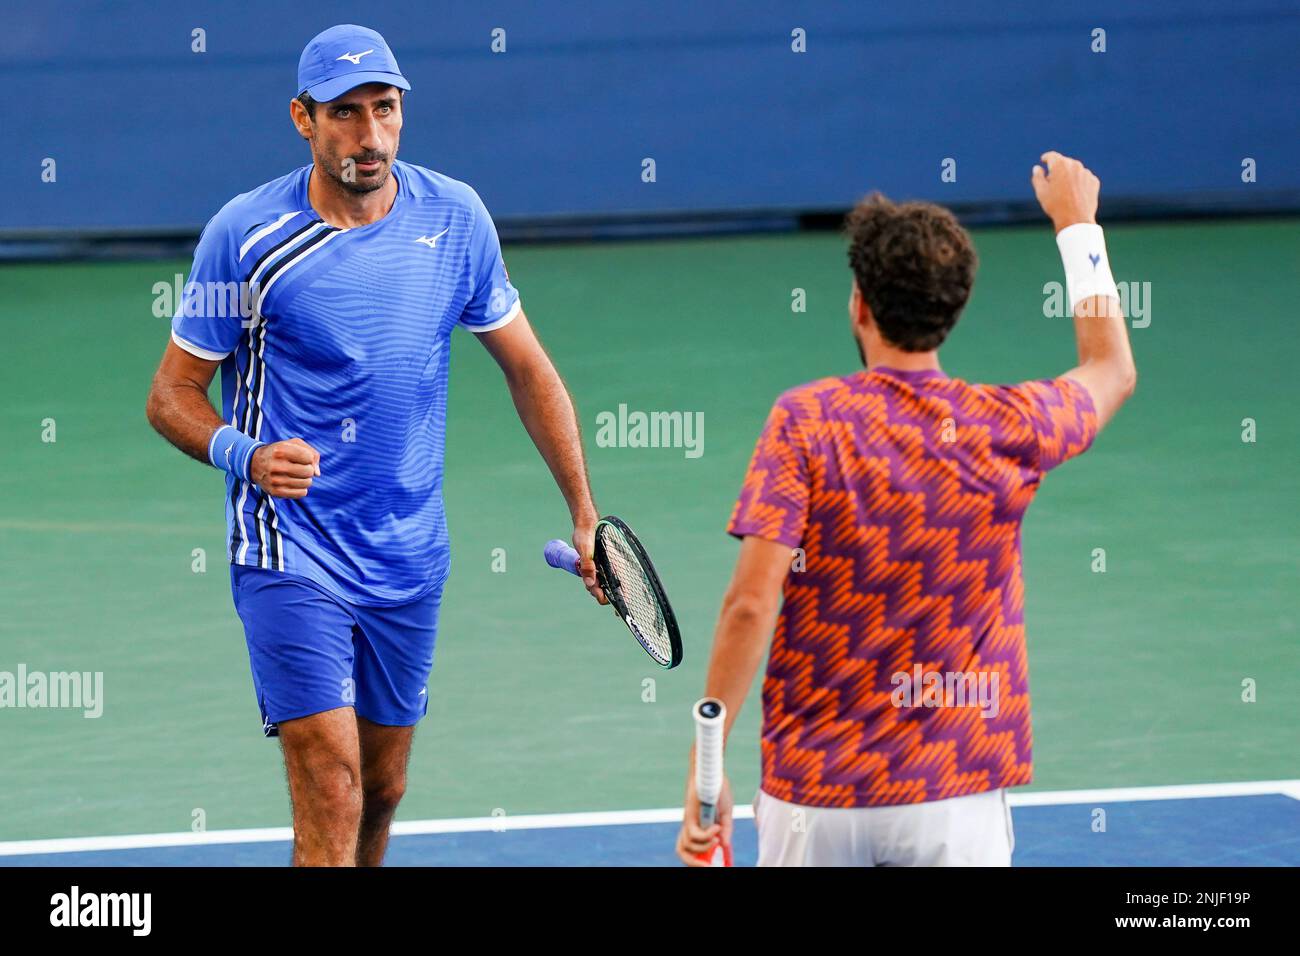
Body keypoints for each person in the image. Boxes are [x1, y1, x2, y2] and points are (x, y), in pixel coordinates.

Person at [146, 24, 604, 866]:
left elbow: (529, 370)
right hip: (291, 552)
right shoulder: (243, 236)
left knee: (382, 793)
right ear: (302, 119)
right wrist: (243, 454)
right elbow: (171, 395)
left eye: (384, 110)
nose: (369, 135)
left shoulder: (457, 218)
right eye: (345, 114)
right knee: (333, 784)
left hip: (409, 555)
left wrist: (585, 512)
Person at [676, 151, 1136, 866]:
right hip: (954, 799)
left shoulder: (806, 421)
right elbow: (1111, 369)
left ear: (860, 305)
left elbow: (748, 607)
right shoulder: (1007, 426)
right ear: (952, 310)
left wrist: (708, 766)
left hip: (814, 798)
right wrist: (1078, 226)